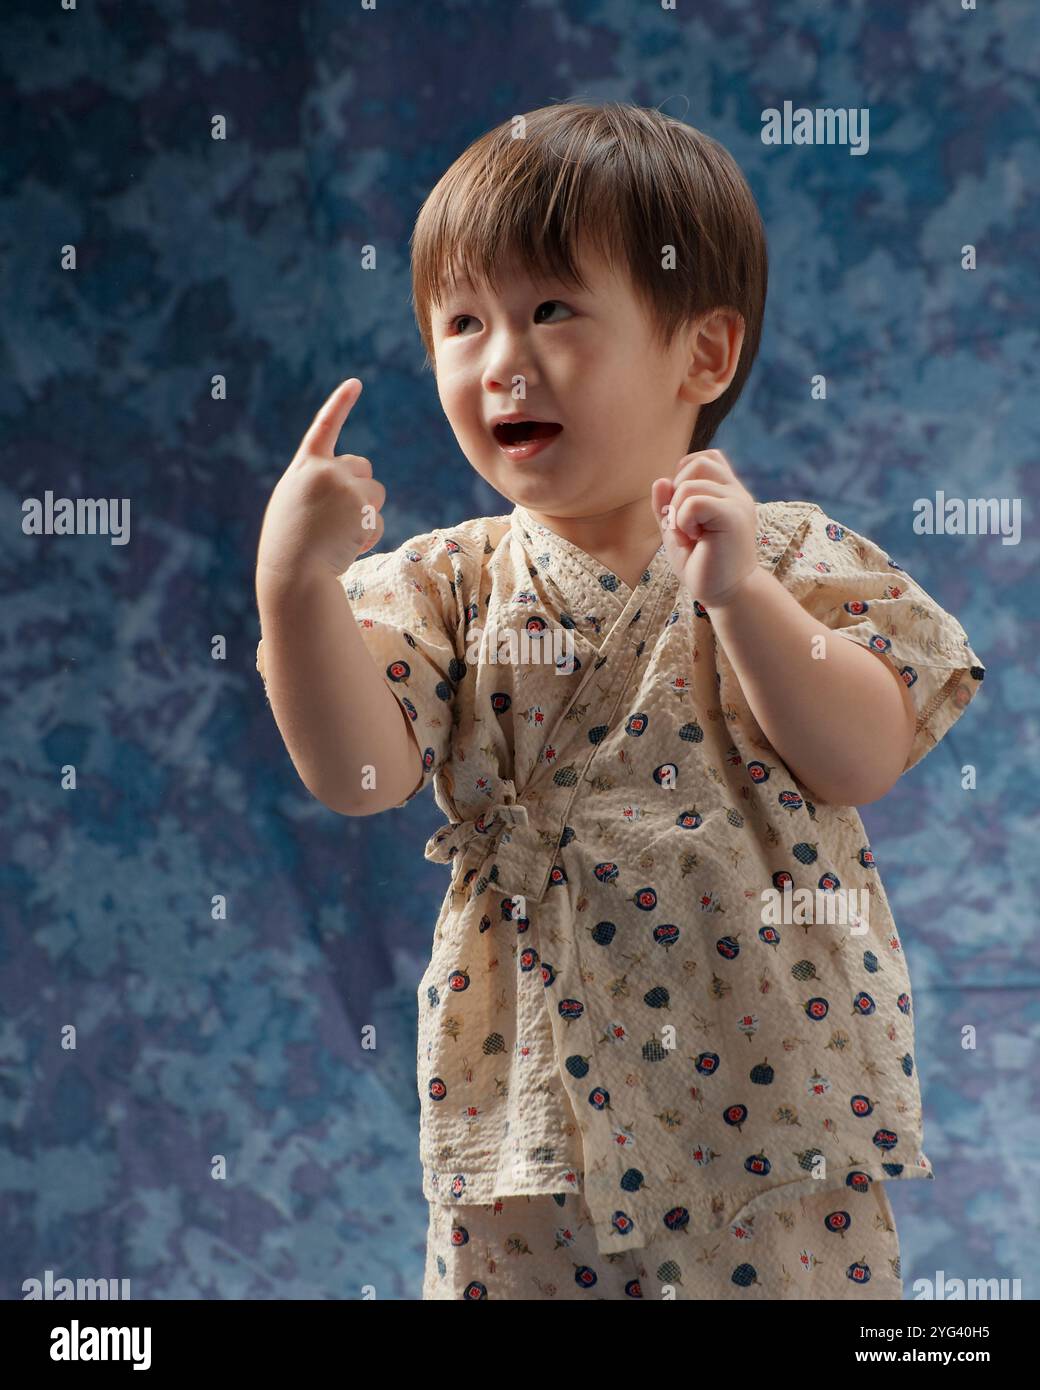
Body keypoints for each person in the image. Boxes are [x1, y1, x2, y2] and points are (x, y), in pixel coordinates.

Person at [254, 102, 986, 1301]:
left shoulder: (787, 557)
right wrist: (295, 587)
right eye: (461, 321)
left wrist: (742, 598)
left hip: (765, 1102)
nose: (501, 360)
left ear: (700, 354)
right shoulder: (444, 586)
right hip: (528, 1103)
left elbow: (858, 756)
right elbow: (362, 776)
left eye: (550, 310)